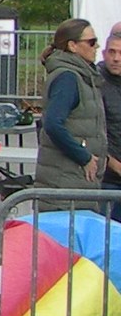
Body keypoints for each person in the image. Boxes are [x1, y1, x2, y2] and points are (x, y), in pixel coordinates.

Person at [35, 18, 109, 193]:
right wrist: (84, 157)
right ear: (73, 46)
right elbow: (53, 124)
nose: (96, 47)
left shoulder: (83, 76)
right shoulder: (68, 78)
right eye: (91, 42)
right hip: (66, 179)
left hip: (74, 177)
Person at [98, 27, 121, 186]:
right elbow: (89, 132)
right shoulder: (94, 83)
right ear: (104, 53)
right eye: (112, 52)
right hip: (106, 177)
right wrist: (113, 164)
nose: (116, 58)